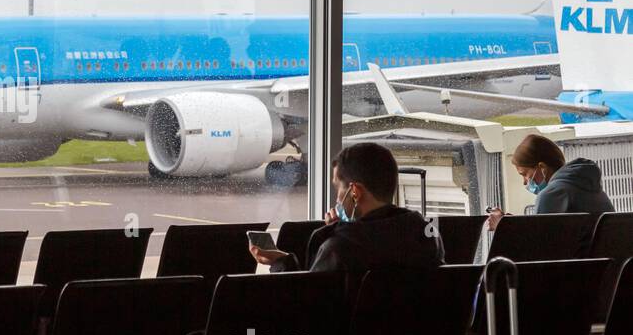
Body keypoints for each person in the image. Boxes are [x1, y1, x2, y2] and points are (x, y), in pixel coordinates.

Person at [250, 142, 444, 273]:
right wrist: (343, 229)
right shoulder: (428, 237)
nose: (337, 197)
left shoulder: (338, 249)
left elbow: (308, 307)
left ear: (355, 192)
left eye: (338, 188)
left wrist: (282, 263)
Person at [487, 133, 614, 230]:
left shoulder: (551, 195)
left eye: (525, 174)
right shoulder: (592, 189)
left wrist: (503, 227)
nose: (525, 182)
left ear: (542, 168)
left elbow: (539, 251)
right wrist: (516, 226)